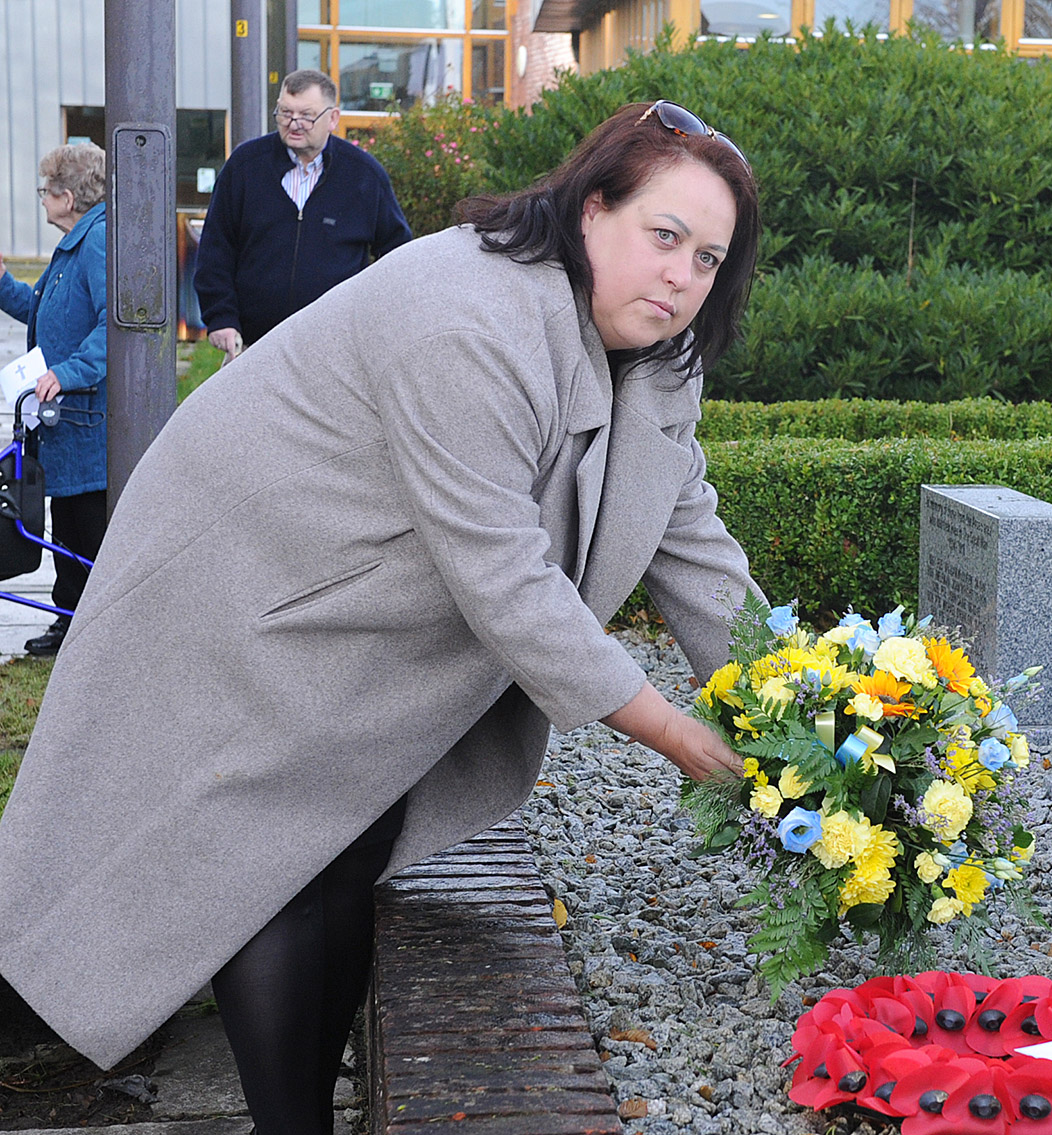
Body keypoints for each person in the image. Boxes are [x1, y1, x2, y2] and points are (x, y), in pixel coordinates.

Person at [0, 101, 761, 1134]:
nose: (682, 276)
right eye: (663, 236)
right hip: (245, 578)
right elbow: (509, 580)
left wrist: (815, 700)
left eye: (709, 257)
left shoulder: (660, 361)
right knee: (268, 851)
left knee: (336, 840)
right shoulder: (472, 313)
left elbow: (694, 545)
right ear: (590, 212)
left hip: (357, 600)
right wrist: (688, 740)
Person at [194, 68, 413, 359]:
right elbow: (216, 247)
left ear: (333, 118)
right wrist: (220, 316)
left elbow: (398, 255)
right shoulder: (245, 166)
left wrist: (372, 321)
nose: (294, 124)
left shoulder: (363, 176)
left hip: (335, 350)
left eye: (306, 115)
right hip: (252, 346)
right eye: (285, 113)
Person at [0, 142, 108, 655]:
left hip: (86, 420)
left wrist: (70, 372)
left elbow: (118, 324)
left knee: (85, 529)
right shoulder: (76, 245)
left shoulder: (98, 243)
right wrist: (2, 283)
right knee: (67, 525)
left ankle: (86, 632)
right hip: (66, 422)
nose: (42, 199)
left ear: (67, 196)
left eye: (46, 191)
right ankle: (71, 625)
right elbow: (43, 315)